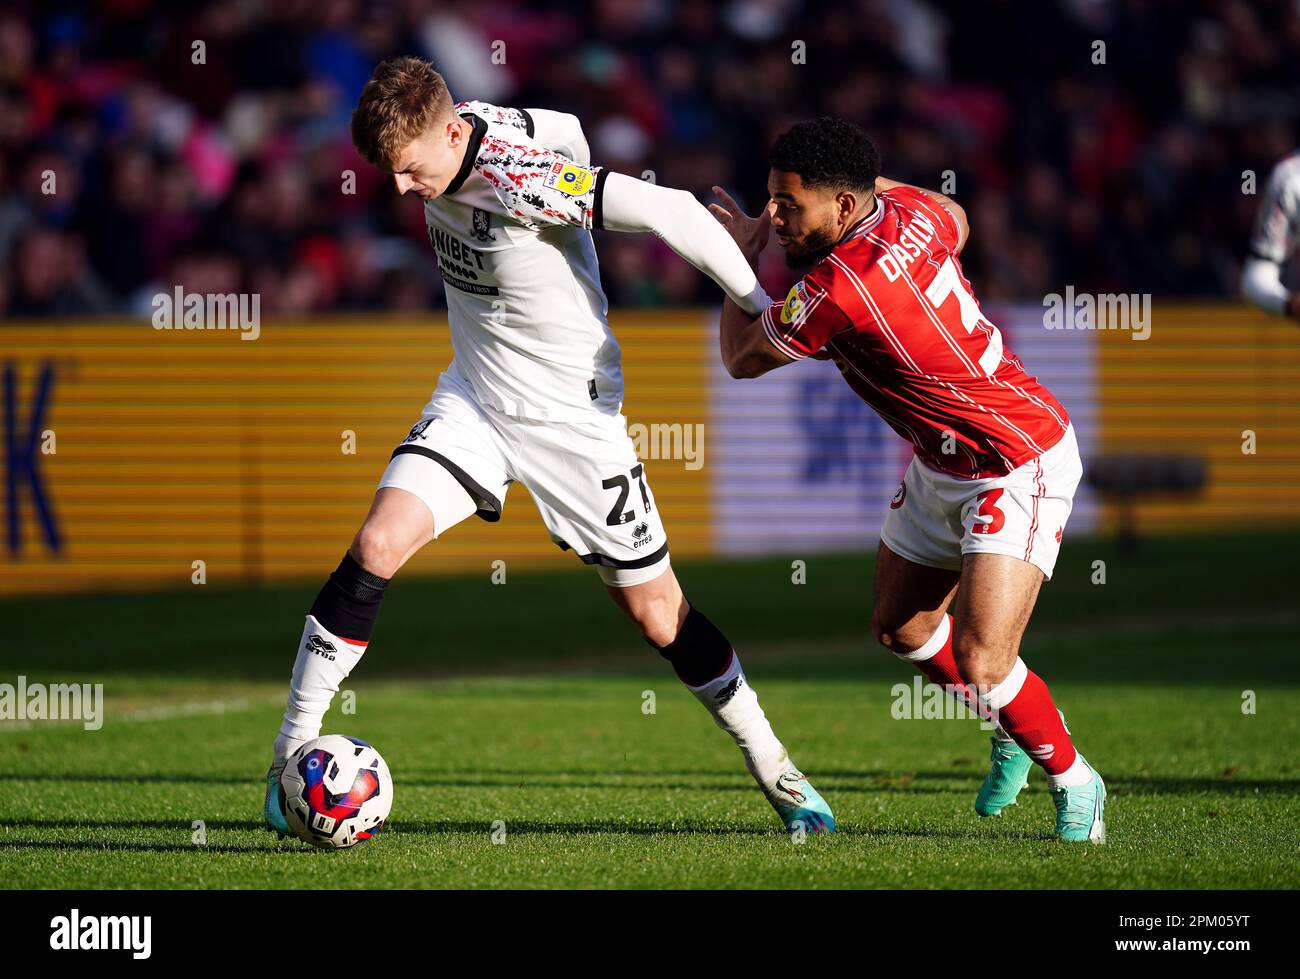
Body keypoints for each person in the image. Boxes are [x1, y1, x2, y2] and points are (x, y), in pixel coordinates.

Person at [262, 58, 834, 840]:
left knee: (659, 616)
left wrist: (764, 309)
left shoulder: (520, 178)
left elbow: (673, 212)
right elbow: (559, 125)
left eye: (408, 172)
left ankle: (779, 770)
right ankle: (288, 756)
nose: (400, 190)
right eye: (389, 173)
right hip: (475, 398)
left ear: (452, 132)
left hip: (574, 420)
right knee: (376, 542)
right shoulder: (457, 124)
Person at [709, 116, 1105, 842]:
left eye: (788, 204)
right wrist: (865, 182)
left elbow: (739, 357)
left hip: (1016, 457)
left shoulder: (839, 286)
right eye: (770, 200)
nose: (774, 216)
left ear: (846, 206)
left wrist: (733, 262)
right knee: (903, 627)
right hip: (942, 458)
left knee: (986, 660)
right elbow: (953, 214)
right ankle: (1014, 726)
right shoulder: (915, 211)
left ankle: (1077, 779)